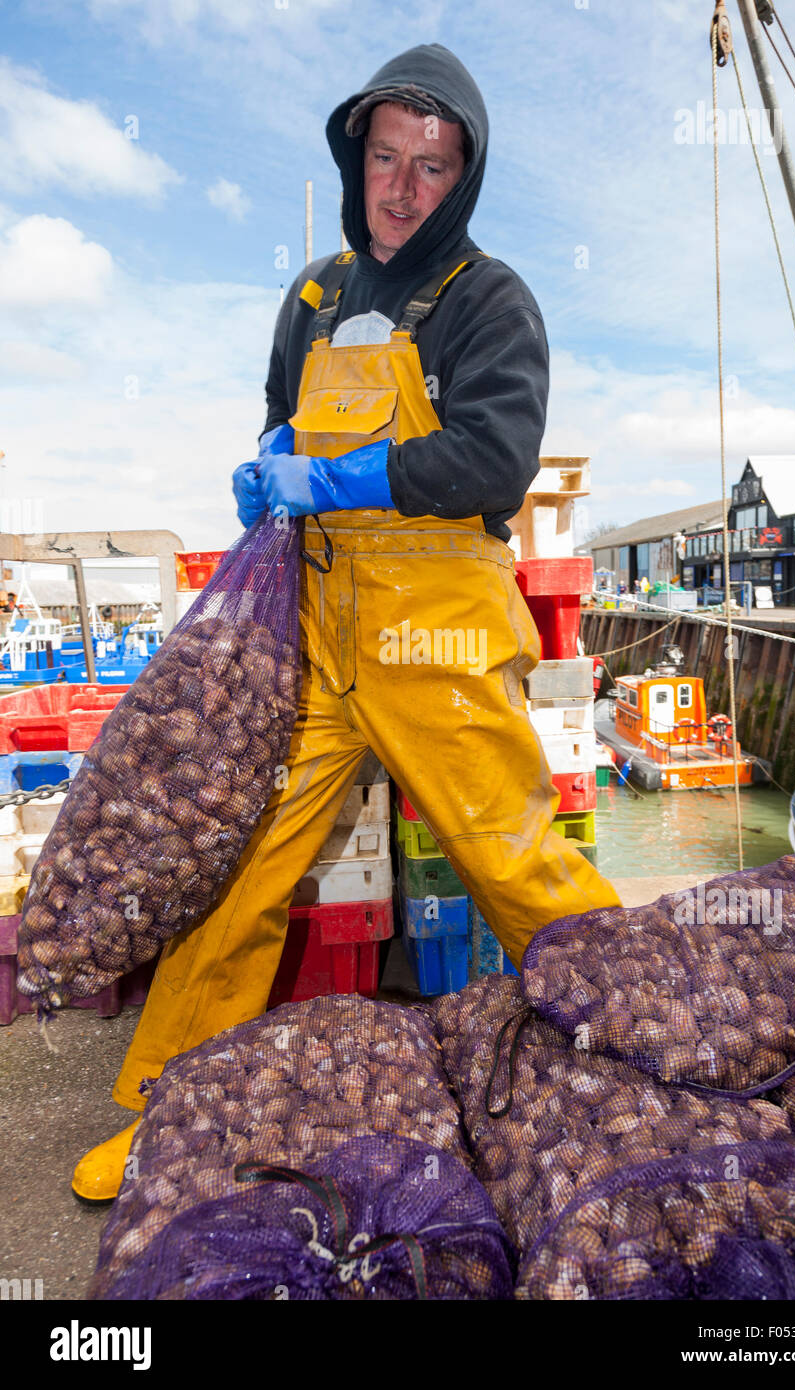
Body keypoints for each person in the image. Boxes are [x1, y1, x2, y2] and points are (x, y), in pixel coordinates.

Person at [71, 42, 622, 1200]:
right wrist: (271, 459)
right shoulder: (313, 295)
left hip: (440, 641)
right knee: (240, 872)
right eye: (385, 157)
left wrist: (334, 481)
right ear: (354, 155)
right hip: (322, 641)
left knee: (519, 867)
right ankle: (166, 1107)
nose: (403, 186)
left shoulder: (491, 300)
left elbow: (491, 457)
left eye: (431, 166)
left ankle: (647, 1058)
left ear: (460, 179)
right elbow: (281, 412)